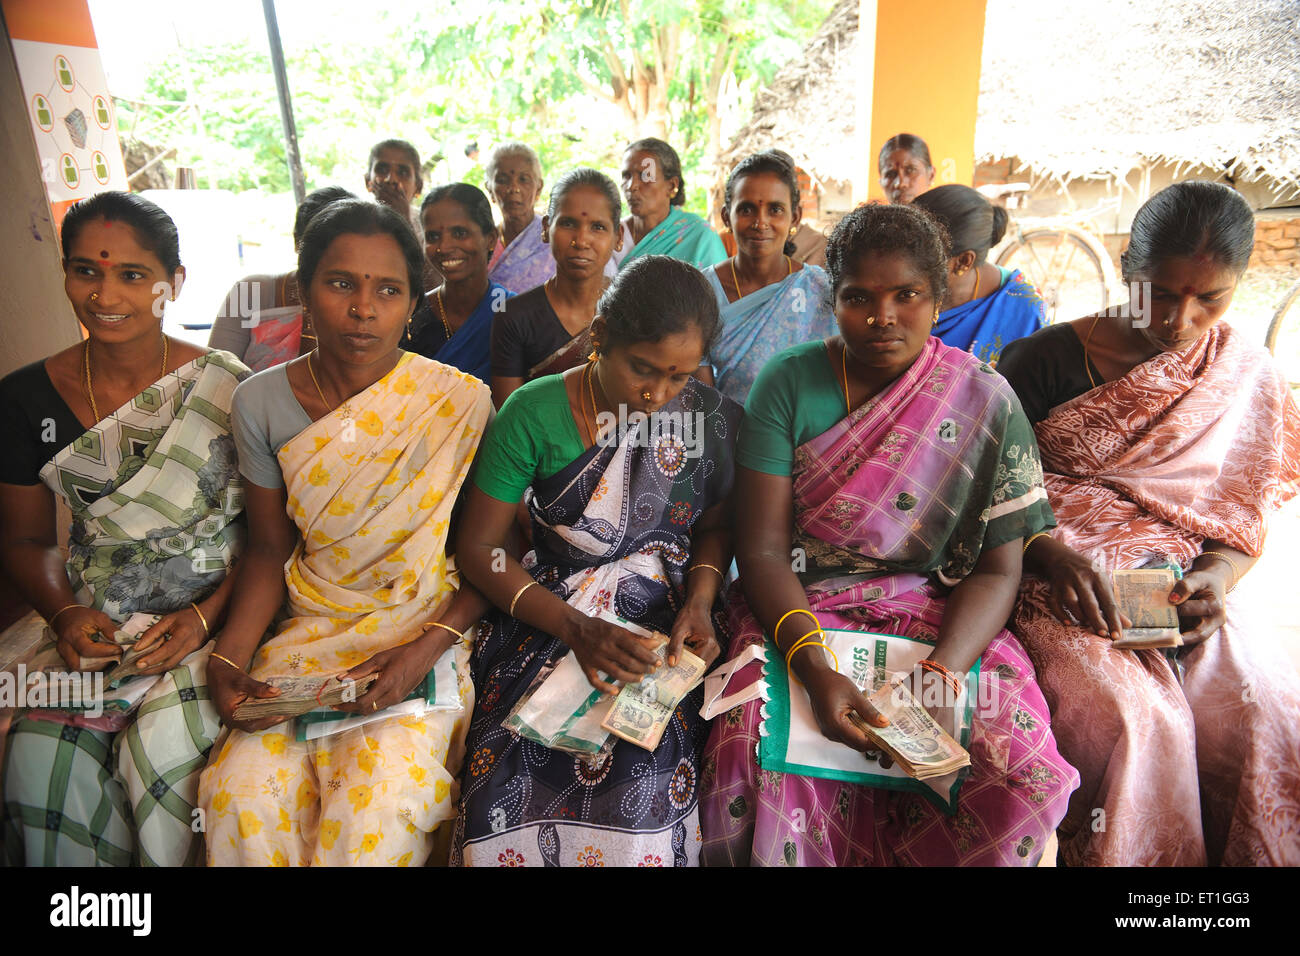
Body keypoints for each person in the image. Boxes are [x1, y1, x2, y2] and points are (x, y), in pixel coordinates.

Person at [699, 202, 1078, 866]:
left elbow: (996, 571)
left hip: (938, 616)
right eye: (858, 298)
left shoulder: (985, 399)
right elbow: (760, 550)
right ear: (831, 299)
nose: (882, 317)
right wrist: (814, 670)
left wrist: (940, 677)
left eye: (907, 295)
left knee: (1018, 770)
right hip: (801, 605)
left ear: (938, 298)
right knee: (748, 745)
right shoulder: (786, 384)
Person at [998, 181, 1300, 866]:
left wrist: (1217, 577)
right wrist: (1051, 556)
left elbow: (1240, 513)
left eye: (1210, 299)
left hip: (1182, 592)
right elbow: (987, 494)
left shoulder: (1241, 373)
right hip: (1058, 589)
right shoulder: (1040, 361)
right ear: (1128, 268)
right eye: (1159, 292)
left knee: (1263, 710)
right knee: (1141, 726)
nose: (1180, 319)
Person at [196, 199, 493, 866]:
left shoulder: (461, 402)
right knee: (241, 801)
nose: (364, 308)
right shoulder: (260, 402)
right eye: (340, 284)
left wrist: (424, 650)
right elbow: (269, 548)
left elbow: (489, 555)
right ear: (302, 290)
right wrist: (229, 660)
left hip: (417, 631)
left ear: (415, 301)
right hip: (310, 638)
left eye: (388, 290)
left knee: (378, 812)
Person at [452, 256, 743, 866]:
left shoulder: (706, 420)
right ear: (601, 332)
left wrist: (698, 602)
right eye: (641, 368)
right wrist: (575, 628)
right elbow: (480, 549)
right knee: (502, 776)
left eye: (678, 377)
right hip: (547, 609)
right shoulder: (532, 412)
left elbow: (715, 527)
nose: (656, 395)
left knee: (648, 777)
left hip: (662, 612)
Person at [0, 191, 247, 865]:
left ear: (174, 284)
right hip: (101, 624)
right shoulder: (25, 399)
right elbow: (24, 541)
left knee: (162, 757)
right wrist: (64, 613)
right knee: (38, 758)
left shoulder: (228, 390)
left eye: (133, 275)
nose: (105, 294)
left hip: (221, 620)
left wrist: (204, 616)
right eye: (85, 270)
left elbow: (269, 542)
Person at [705, 150, 837, 403]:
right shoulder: (701, 291)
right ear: (726, 217)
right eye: (746, 210)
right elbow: (700, 395)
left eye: (775, 209)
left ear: (794, 217)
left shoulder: (819, 289)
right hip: (723, 434)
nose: (760, 222)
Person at [489, 168, 623, 408]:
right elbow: (509, 421)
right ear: (545, 229)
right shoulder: (513, 318)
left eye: (598, 227)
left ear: (619, 236)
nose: (581, 241)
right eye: (568, 223)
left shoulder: (634, 310)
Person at [208, 186, 353, 372]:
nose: (330, 258)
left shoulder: (364, 307)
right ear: (296, 242)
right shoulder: (250, 292)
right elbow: (215, 374)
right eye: (318, 247)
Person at [913, 184, 1045, 365]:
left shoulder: (1023, 310)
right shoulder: (892, 290)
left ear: (963, 262)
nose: (901, 265)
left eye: (918, 255)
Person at [403, 183, 510, 382]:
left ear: (490, 238)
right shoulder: (412, 317)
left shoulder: (506, 308)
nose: (444, 247)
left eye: (460, 233)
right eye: (433, 236)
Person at [613, 138, 726, 272]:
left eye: (645, 176)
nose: (632, 186)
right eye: (626, 176)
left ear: (672, 186)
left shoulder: (700, 237)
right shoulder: (610, 235)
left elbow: (716, 289)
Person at [484, 142, 555, 294]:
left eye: (524, 179)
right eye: (502, 180)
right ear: (490, 189)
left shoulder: (552, 242)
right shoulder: (482, 243)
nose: (514, 188)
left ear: (539, 187)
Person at [878, 133, 935, 205]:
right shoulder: (870, 216)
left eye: (910, 170)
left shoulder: (950, 213)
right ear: (881, 183)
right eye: (891, 174)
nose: (900, 184)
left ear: (931, 175)